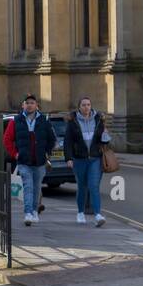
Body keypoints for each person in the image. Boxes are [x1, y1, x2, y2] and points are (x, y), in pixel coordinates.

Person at [5, 94, 57, 226]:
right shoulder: (15, 121)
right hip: (24, 161)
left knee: (36, 188)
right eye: (27, 103)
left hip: (39, 161)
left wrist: (47, 153)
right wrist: (15, 154)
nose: (29, 105)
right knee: (28, 186)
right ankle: (28, 213)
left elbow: (52, 139)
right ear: (23, 105)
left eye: (32, 103)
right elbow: (7, 139)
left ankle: (34, 211)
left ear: (36, 105)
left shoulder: (44, 121)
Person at [64, 97, 110, 226]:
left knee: (93, 186)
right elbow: (68, 141)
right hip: (79, 159)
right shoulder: (73, 121)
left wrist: (106, 135)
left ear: (91, 106)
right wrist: (68, 158)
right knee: (82, 187)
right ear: (79, 107)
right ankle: (80, 213)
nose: (86, 107)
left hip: (95, 158)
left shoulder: (98, 119)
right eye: (83, 105)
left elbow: (104, 141)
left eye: (88, 105)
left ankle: (98, 215)